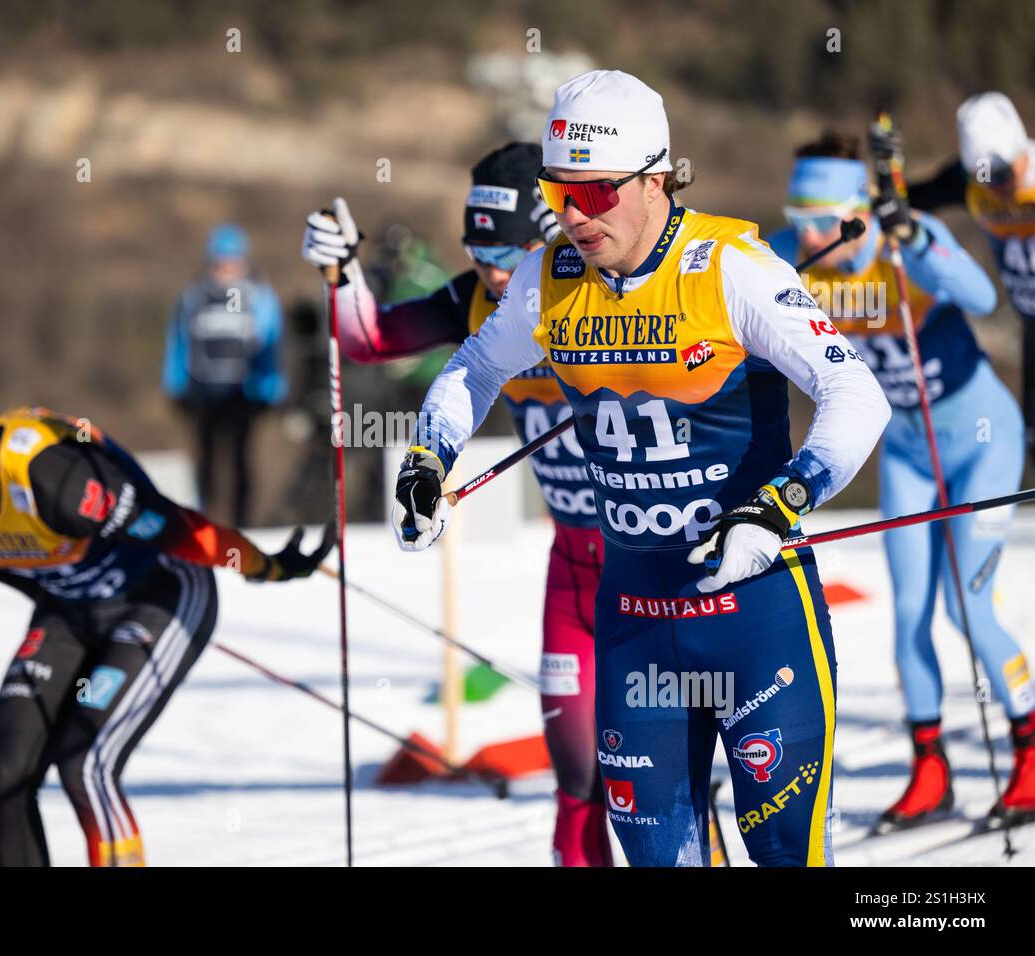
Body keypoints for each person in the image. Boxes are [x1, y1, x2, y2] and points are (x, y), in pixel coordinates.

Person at [392, 70, 890, 866]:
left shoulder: (730, 267)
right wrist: (427, 460)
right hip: (636, 623)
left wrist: (780, 504)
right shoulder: (549, 281)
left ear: (655, 178)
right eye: (560, 196)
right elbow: (473, 371)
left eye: (594, 196)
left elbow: (855, 392)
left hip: (754, 620)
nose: (573, 218)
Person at [302, 142, 613, 866]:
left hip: (649, 562)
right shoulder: (477, 298)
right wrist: (342, 273)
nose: (493, 273)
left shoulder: (603, 292)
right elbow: (371, 339)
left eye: (507, 255)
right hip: (573, 566)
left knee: (654, 779)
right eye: (479, 253)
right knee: (577, 778)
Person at [0, 383, 332, 867]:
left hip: (161, 594)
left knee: (85, 762)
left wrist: (266, 565)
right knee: (6, 769)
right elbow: (23, 573)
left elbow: (175, 528)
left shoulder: (51, 480)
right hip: (72, 608)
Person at [768, 131, 1035, 831]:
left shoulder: (901, 250)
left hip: (982, 445)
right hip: (910, 455)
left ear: (858, 212)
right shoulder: (798, 260)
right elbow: (716, 271)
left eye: (823, 221)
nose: (810, 236)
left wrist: (917, 236)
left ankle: (1030, 749)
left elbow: (979, 296)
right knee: (909, 613)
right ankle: (930, 771)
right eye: (799, 221)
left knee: (968, 609)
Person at [893, 93, 1035, 469]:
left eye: (1003, 173)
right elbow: (911, 201)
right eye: (986, 177)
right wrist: (884, 183)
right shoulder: (972, 181)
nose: (997, 186)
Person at [162, 224, 286, 526]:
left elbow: (272, 344)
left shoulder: (260, 296)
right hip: (202, 390)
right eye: (221, 259)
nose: (227, 266)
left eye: (232, 259)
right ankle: (207, 522)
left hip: (244, 392)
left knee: (241, 461)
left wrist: (272, 389)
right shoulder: (194, 296)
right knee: (206, 461)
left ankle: (244, 525)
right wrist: (175, 385)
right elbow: (178, 342)